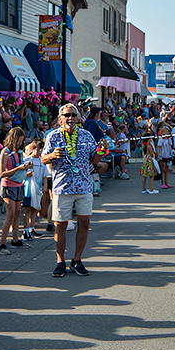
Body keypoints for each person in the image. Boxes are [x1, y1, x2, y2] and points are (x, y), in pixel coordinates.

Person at [41, 103, 107, 277]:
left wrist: (102, 148)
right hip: (62, 187)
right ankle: (60, 261)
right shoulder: (53, 136)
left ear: (78, 118)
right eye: (67, 115)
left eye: (73, 115)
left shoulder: (86, 135)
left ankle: (77, 260)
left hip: (84, 185)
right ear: (60, 118)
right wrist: (52, 156)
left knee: (84, 224)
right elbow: (43, 159)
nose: (70, 119)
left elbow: (94, 160)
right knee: (60, 226)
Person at [0, 127, 30, 255]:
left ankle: (15, 239)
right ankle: (2, 243)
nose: (20, 143)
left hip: (19, 184)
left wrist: (26, 168)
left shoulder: (19, 152)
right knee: (10, 214)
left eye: (21, 141)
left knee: (17, 212)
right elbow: (2, 173)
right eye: (19, 141)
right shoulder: (5, 152)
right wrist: (18, 169)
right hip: (8, 186)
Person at [22, 139, 49, 240]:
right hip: (28, 187)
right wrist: (27, 174)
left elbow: (45, 175)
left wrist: (45, 186)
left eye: (41, 150)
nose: (39, 152)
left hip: (37, 188)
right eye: (37, 149)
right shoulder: (28, 160)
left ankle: (32, 227)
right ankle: (26, 230)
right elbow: (22, 173)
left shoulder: (42, 161)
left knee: (35, 208)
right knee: (27, 208)